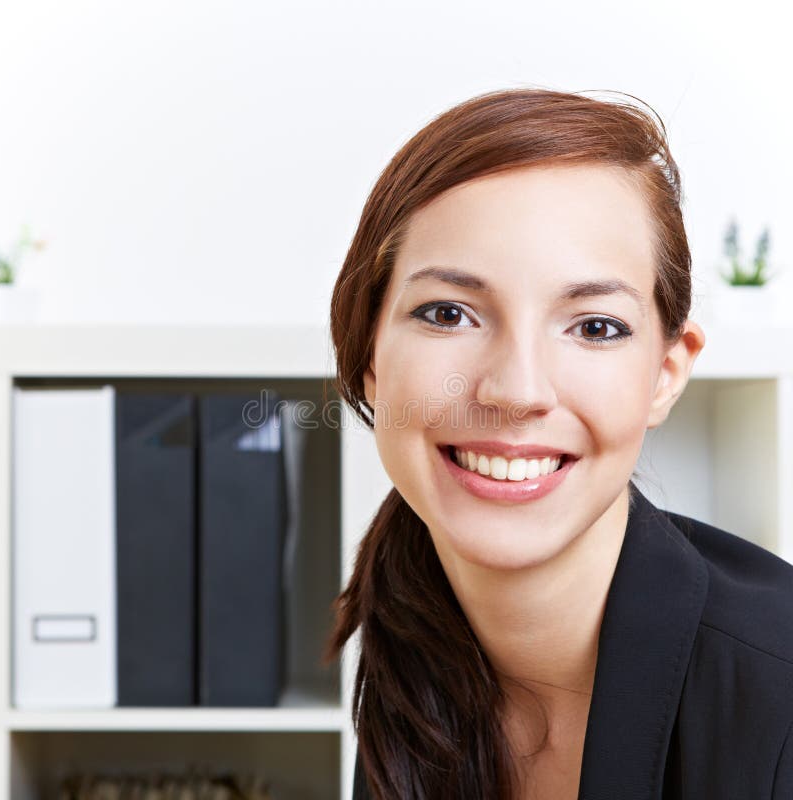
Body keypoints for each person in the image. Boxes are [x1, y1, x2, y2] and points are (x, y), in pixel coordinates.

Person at [323, 87, 793, 799]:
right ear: (370, 360)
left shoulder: (778, 691)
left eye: (594, 326)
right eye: (449, 313)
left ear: (665, 375)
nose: (515, 391)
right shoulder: (409, 639)